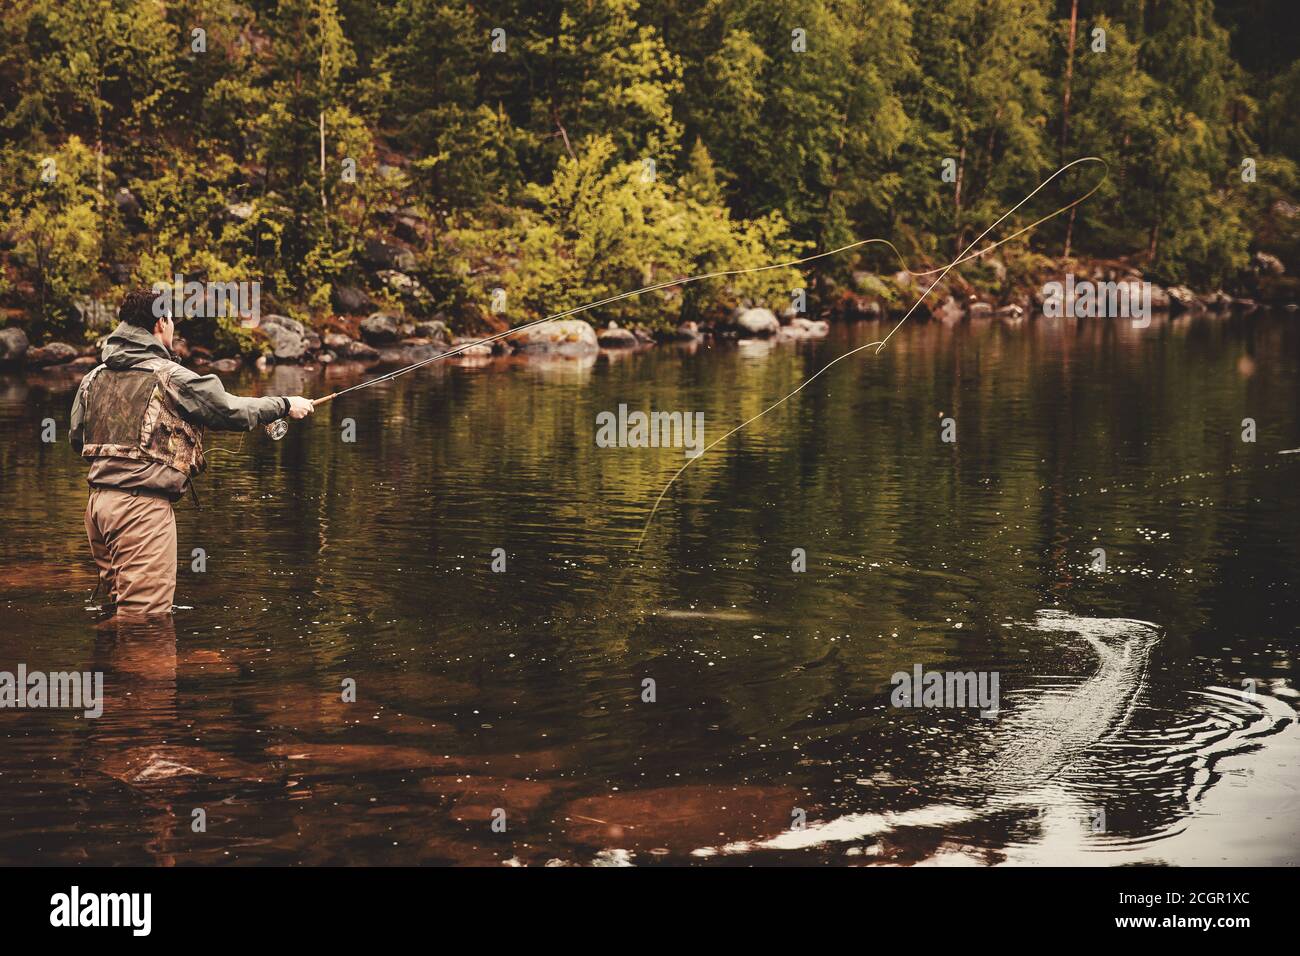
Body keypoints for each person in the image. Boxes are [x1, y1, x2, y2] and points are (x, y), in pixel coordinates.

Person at [70, 288, 315, 618]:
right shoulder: (170, 376)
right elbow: (230, 410)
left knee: (120, 609)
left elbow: (77, 439)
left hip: (99, 508)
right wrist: (285, 405)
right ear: (161, 322)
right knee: (146, 619)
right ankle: (142, 669)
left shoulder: (92, 378)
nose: (173, 328)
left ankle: (110, 668)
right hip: (140, 511)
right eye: (172, 320)